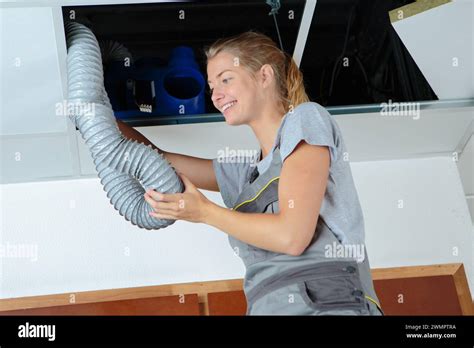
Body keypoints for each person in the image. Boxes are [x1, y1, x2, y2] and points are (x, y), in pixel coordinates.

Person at [117, 31, 383, 316]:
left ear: (264, 76)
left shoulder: (306, 119)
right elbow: (158, 159)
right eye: (211, 86)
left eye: (226, 79)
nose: (216, 95)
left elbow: (292, 237)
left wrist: (205, 212)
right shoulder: (246, 175)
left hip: (329, 306)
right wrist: (95, 118)